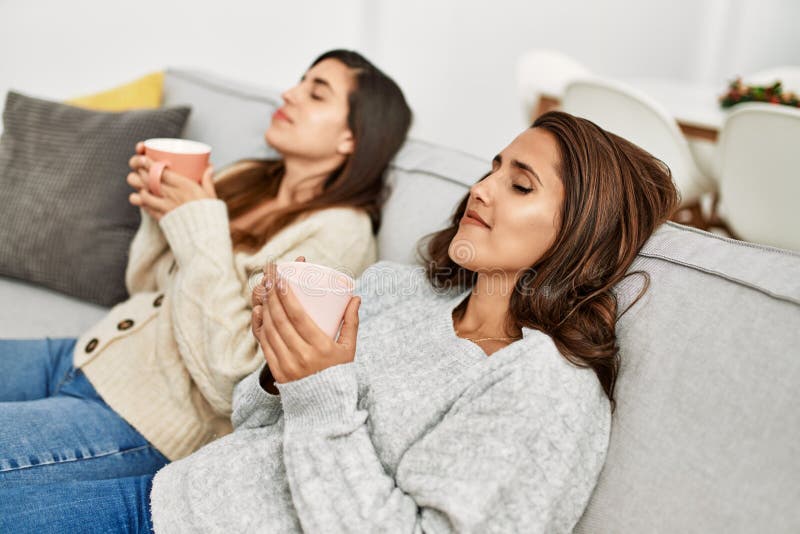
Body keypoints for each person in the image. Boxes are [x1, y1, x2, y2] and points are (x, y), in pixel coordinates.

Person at [0, 111, 679, 533]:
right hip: (180, 493)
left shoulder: (543, 390)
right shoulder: (399, 292)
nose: (482, 189)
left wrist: (321, 391)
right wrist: (276, 370)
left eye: (520, 185)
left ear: (580, 231)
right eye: (492, 168)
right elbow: (247, 421)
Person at [0, 49, 413, 487]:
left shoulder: (340, 234)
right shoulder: (250, 176)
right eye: (299, 81)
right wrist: (161, 212)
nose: (288, 94)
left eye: (316, 93)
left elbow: (233, 381)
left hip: (142, 417)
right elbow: (145, 285)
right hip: (95, 353)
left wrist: (197, 223)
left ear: (352, 136)